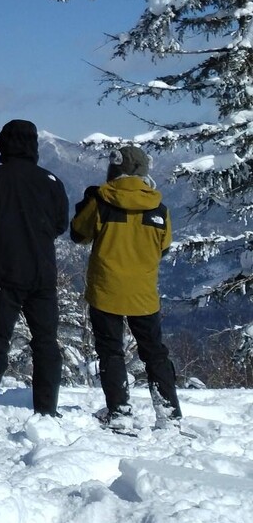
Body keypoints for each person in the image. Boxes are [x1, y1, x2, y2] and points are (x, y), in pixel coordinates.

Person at [71, 143, 182, 428]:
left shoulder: (102, 201)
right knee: (154, 352)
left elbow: (79, 234)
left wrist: (85, 203)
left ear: (114, 169)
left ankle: (119, 412)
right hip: (143, 294)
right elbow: (164, 247)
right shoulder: (159, 209)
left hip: (106, 290)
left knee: (111, 351)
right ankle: (169, 415)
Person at [0, 118, 69, 418]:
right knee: (46, 342)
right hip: (44, 272)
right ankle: (46, 409)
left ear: (4, 144)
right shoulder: (52, 181)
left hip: (7, 270)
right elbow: (60, 225)